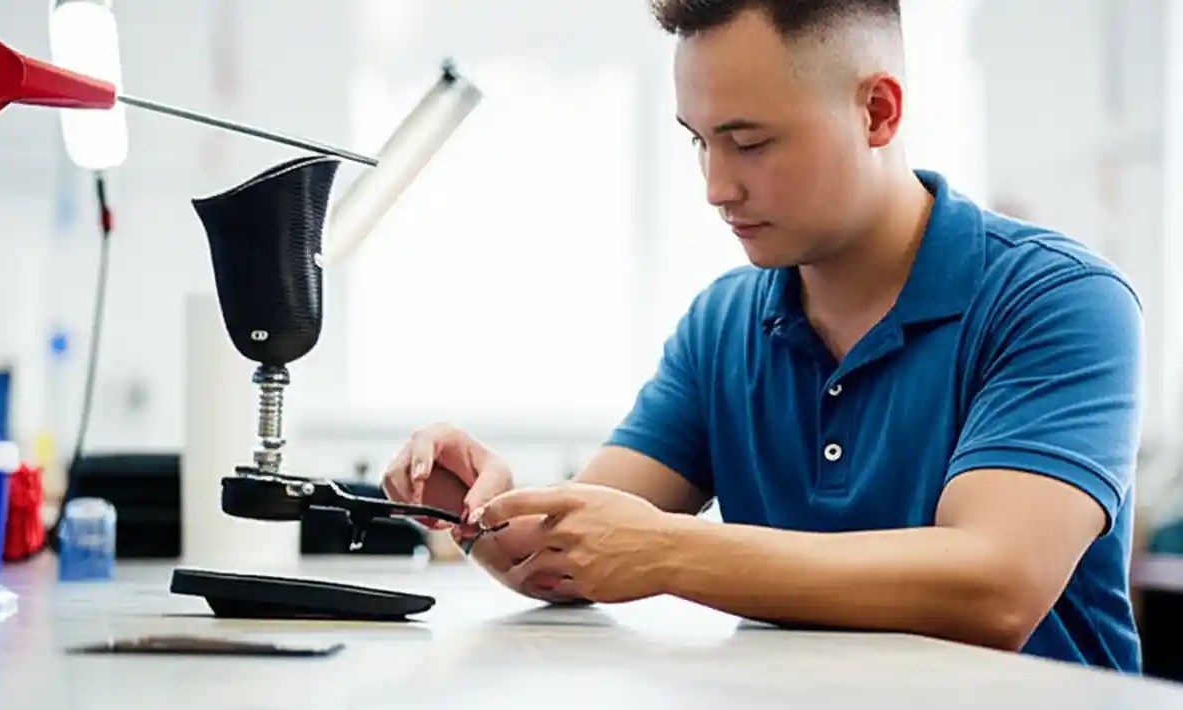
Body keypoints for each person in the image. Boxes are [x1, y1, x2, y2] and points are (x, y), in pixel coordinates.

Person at [382, 0, 1144, 672]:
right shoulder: (722, 323)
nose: (717, 187)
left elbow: (995, 589)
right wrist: (477, 508)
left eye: (749, 143)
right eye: (699, 142)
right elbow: (561, 559)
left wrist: (669, 551)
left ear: (878, 111)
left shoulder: (1059, 302)